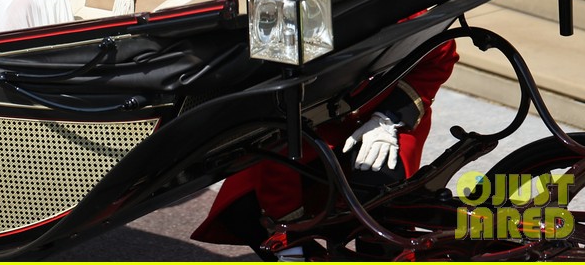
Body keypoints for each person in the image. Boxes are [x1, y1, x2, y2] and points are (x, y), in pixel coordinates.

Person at [192, 40, 459, 258]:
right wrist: (287, 235)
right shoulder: (291, 47)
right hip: (309, 128)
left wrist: (388, 118)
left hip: (381, 121)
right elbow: (277, 159)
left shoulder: (411, 10)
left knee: (379, 207)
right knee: (245, 212)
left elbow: (440, 55)